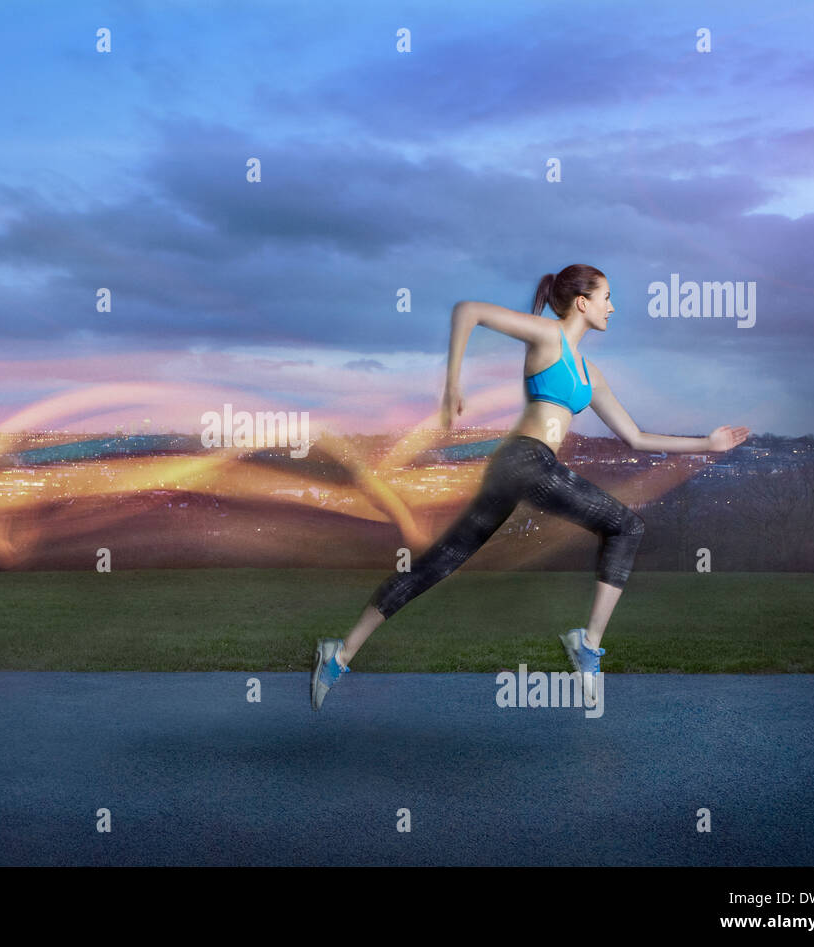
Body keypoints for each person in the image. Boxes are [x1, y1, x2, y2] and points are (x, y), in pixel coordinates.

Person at [311, 264, 749, 711]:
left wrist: (708, 444)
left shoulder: (590, 373)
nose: (612, 307)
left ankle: (339, 654)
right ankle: (588, 646)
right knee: (627, 526)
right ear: (583, 302)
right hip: (525, 459)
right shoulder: (547, 335)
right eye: (607, 296)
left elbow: (635, 437)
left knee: (439, 563)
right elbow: (470, 310)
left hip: (524, 467)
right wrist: (451, 386)